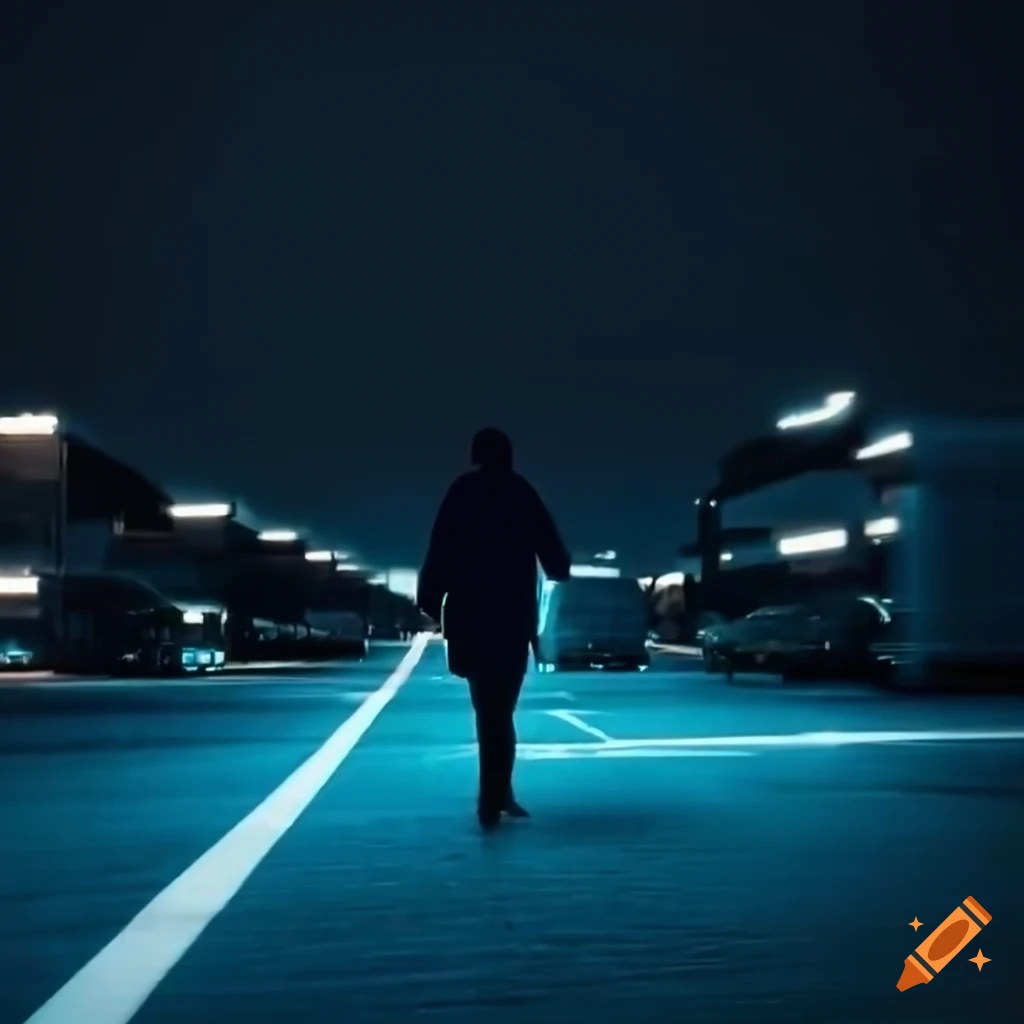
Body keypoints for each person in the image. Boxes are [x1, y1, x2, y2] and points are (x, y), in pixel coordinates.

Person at [417, 427, 571, 829]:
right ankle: (498, 795)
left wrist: (432, 602)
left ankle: (494, 797)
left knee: (488, 709)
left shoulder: (462, 493)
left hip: (471, 621)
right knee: (502, 709)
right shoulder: (521, 492)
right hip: (512, 621)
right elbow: (555, 557)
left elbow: (439, 550)